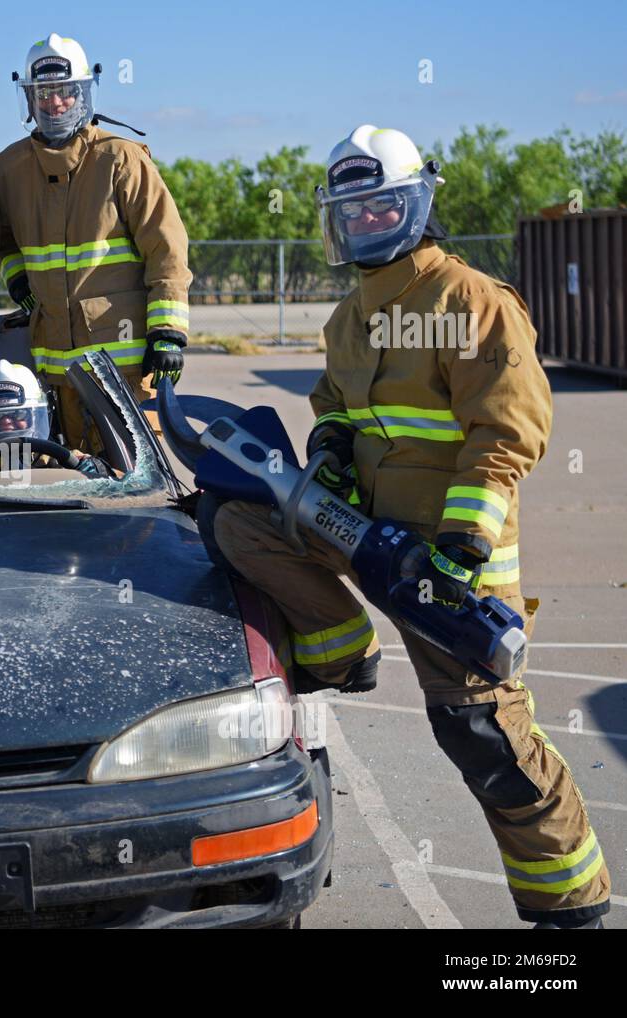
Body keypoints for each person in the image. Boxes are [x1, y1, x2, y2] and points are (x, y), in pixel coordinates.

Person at [211, 124, 610, 928]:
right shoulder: (349, 317)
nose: (364, 223)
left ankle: (572, 908)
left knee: (485, 738)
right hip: (361, 530)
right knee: (234, 515)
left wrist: (463, 544)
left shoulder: (472, 301)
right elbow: (333, 407)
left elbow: (509, 430)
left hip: (445, 560)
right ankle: (342, 650)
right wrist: (326, 453)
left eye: (380, 207)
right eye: (350, 212)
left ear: (416, 204)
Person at [0, 33, 192, 450]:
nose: (54, 102)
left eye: (65, 91)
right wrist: (18, 277)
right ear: (29, 99)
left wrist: (168, 332)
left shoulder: (121, 159)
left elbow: (166, 249)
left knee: (135, 478)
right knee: (75, 478)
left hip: (126, 364)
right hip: (56, 366)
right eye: (43, 92)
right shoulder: (9, 169)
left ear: (84, 92)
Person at [0, 359, 111, 477]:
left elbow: (123, 481)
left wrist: (96, 470)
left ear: (36, 418)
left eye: (18, 414)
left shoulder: (63, 462)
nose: (7, 422)